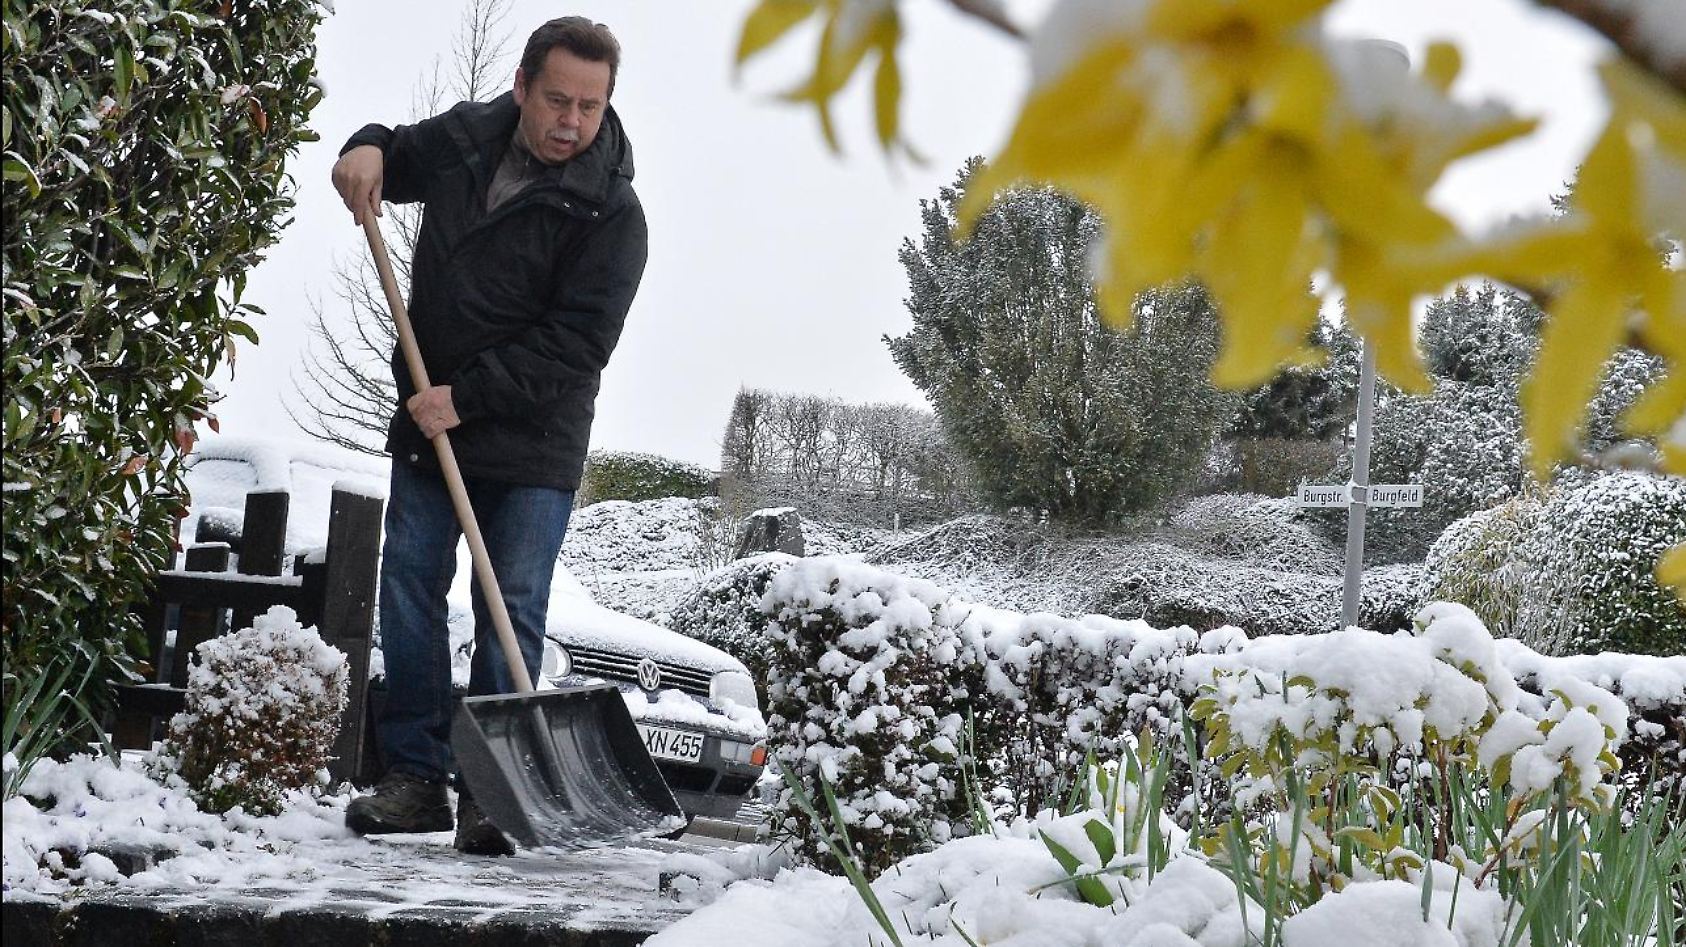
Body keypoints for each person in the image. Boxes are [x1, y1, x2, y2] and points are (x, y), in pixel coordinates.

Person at [330, 16, 646, 855]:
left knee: (510, 602)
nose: (571, 120)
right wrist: (366, 149)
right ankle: (415, 780)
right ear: (521, 88)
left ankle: (492, 795)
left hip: (533, 442)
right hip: (431, 426)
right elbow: (393, 156)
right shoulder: (471, 138)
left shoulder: (613, 212)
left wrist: (464, 398)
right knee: (407, 585)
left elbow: (577, 347)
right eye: (556, 100)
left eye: (589, 104)